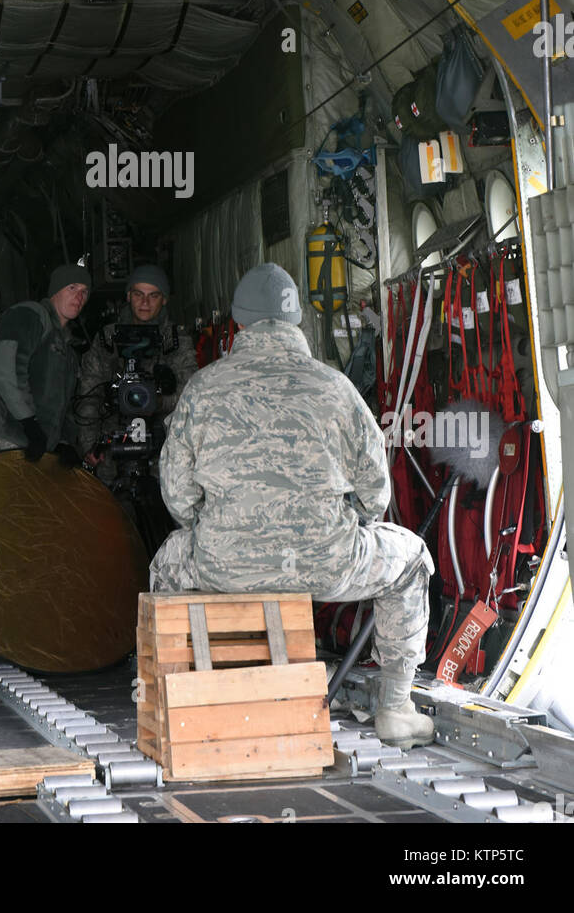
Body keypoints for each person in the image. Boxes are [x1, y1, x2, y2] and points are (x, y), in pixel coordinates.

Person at [149, 262, 435, 749]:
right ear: (296, 319)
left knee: (166, 564)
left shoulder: (201, 389)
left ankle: (180, 704)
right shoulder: (336, 388)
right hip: (327, 563)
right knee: (409, 561)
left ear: (237, 323)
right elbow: (376, 494)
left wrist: (222, 531)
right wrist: (340, 527)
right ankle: (396, 708)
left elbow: (176, 496)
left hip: (226, 565)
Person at [76, 264, 198, 469]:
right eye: (138, 294)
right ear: (128, 296)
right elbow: (89, 393)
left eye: (153, 296)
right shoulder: (108, 338)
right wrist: (90, 445)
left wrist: (157, 401)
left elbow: (190, 395)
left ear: (164, 299)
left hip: (163, 452)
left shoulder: (176, 341)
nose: (145, 303)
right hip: (113, 449)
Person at [0, 264, 90, 464]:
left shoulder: (68, 350)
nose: (79, 297)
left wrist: (64, 441)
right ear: (56, 290)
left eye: (84, 292)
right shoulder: (29, 315)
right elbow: (3, 366)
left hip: (40, 451)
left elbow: (64, 404)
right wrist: (29, 423)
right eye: (72, 288)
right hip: (5, 442)